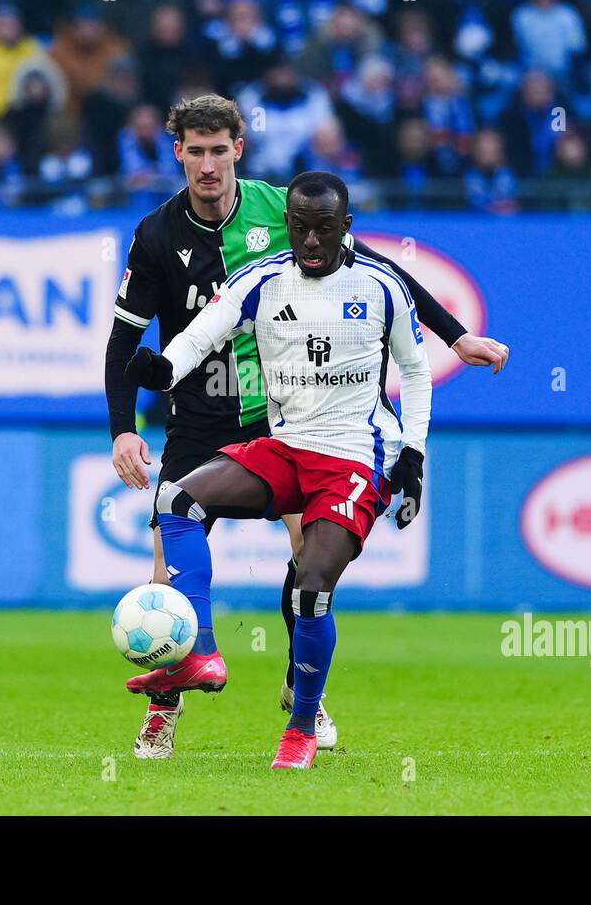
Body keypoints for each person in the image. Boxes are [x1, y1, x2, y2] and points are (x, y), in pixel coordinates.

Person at [104, 94, 510, 759]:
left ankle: (304, 694)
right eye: (194, 151)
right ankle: (166, 706)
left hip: (283, 417)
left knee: (311, 563)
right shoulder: (155, 236)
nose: (207, 165)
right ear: (177, 153)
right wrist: (124, 427)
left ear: (239, 148)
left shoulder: (284, 210)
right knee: (165, 571)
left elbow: (388, 273)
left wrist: (456, 337)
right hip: (198, 418)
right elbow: (126, 342)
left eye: (219, 150)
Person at [123, 171, 432, 769]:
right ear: (285, 226)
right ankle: (201, 653)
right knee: (175, 503)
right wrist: (163, 369)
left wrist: (413, 458)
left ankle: (300, 728)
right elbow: (198, 335)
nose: (311, 242)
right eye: (299, 228)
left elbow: (415, 373)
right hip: (286, 447)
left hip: (353, 461)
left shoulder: (381, 287)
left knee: (312, 591)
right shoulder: (259, 281)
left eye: (323, 229)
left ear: (346, 227)